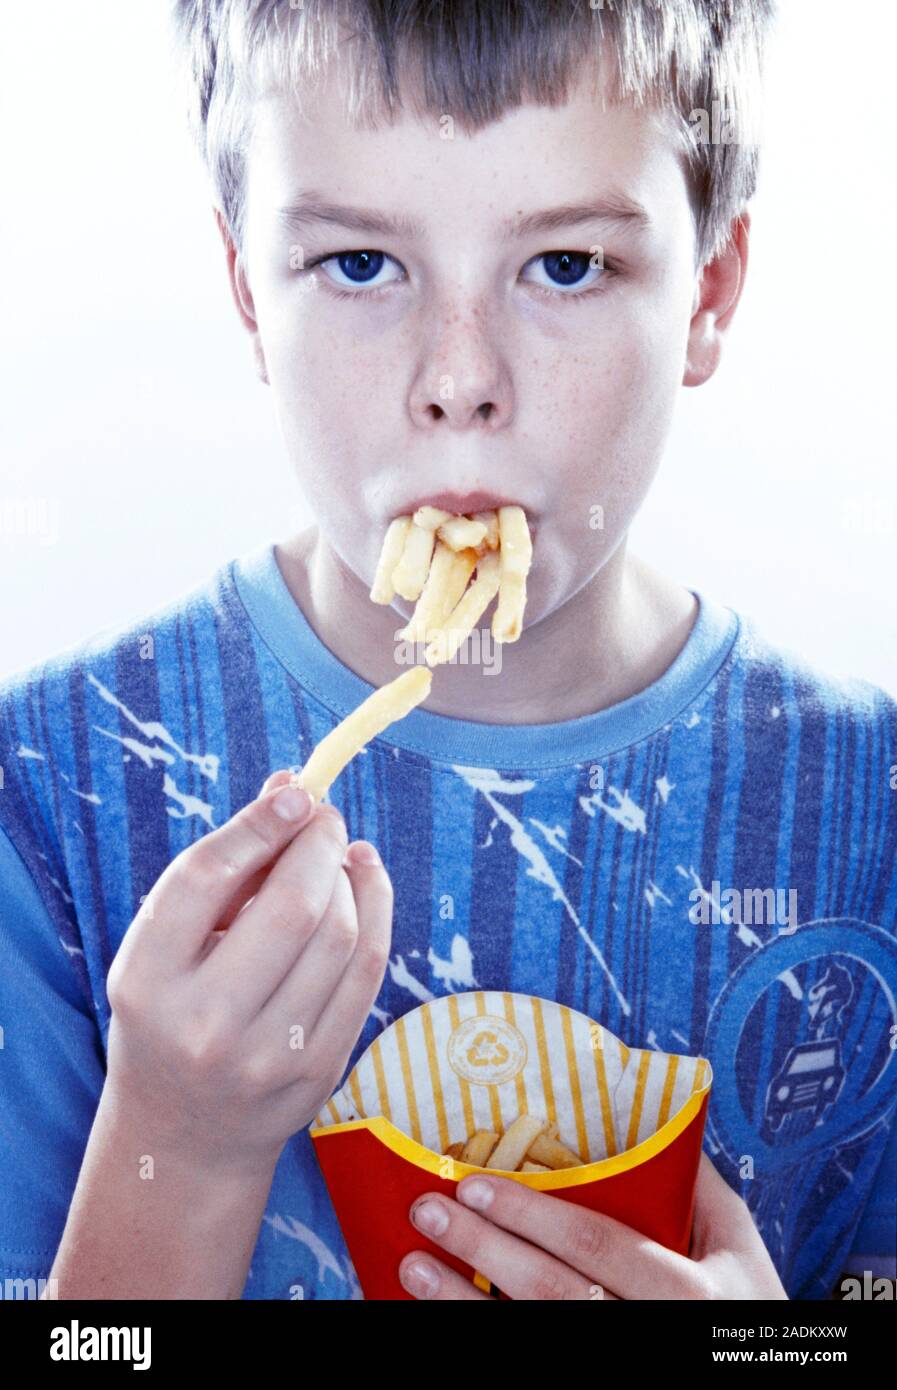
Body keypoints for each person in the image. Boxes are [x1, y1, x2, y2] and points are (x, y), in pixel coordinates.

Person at [1, 0, 894, 1301]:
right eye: (361, 264)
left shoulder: (867, 811)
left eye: (565, 265)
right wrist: (176, 1150)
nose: (458, 377)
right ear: (249, 290)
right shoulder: (51, 795)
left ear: (707, 292)